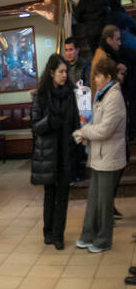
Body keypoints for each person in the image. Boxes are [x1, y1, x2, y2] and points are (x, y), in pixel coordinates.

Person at [75, 53, 127, 254]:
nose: (94, 80)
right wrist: (85, 129)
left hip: (109, 158)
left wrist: (85, 131)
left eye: (97, 76)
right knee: (94, 199)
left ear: (107, 77)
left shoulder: (114, 96)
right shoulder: (102, 94)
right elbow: (94, 124)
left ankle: (104, 240)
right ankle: (88, 235)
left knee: (104, 203)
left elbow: (105, 130)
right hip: (98, 156)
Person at [31, 54, 80, 250]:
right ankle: (48, 231)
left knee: (63, 196)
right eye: (60, 71)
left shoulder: (69, 94)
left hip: (65, 151)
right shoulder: (41, 96)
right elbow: (35, 125)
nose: (64, 75)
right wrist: (50, 121)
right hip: (48, 153)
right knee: (49, 195)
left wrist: (76, 142)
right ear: (51, 72)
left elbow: (75, 121)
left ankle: (59, 235)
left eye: (65, 71)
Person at [63, 38, 91, 183]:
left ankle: (80, 172)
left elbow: (87, 86)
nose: (68, 53)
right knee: (71, 142)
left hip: (82, 106)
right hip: (68, 108)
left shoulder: (85, 65)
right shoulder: (63, 67)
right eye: (66, 50)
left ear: (77, 50)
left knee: (81, 140)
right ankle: (73, 174)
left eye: (71, 49)